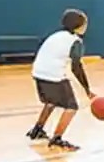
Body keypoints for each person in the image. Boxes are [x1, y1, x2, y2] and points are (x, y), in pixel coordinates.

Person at [28, 9, 94, 152]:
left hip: (38, 73)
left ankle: (37, 130)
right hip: (53, 75)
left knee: (51, 102)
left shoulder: (56, 35)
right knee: (71, 107)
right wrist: (87, 89)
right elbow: (76, 67)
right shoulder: (75, 41)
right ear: (78, 25)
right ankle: (57, 138)